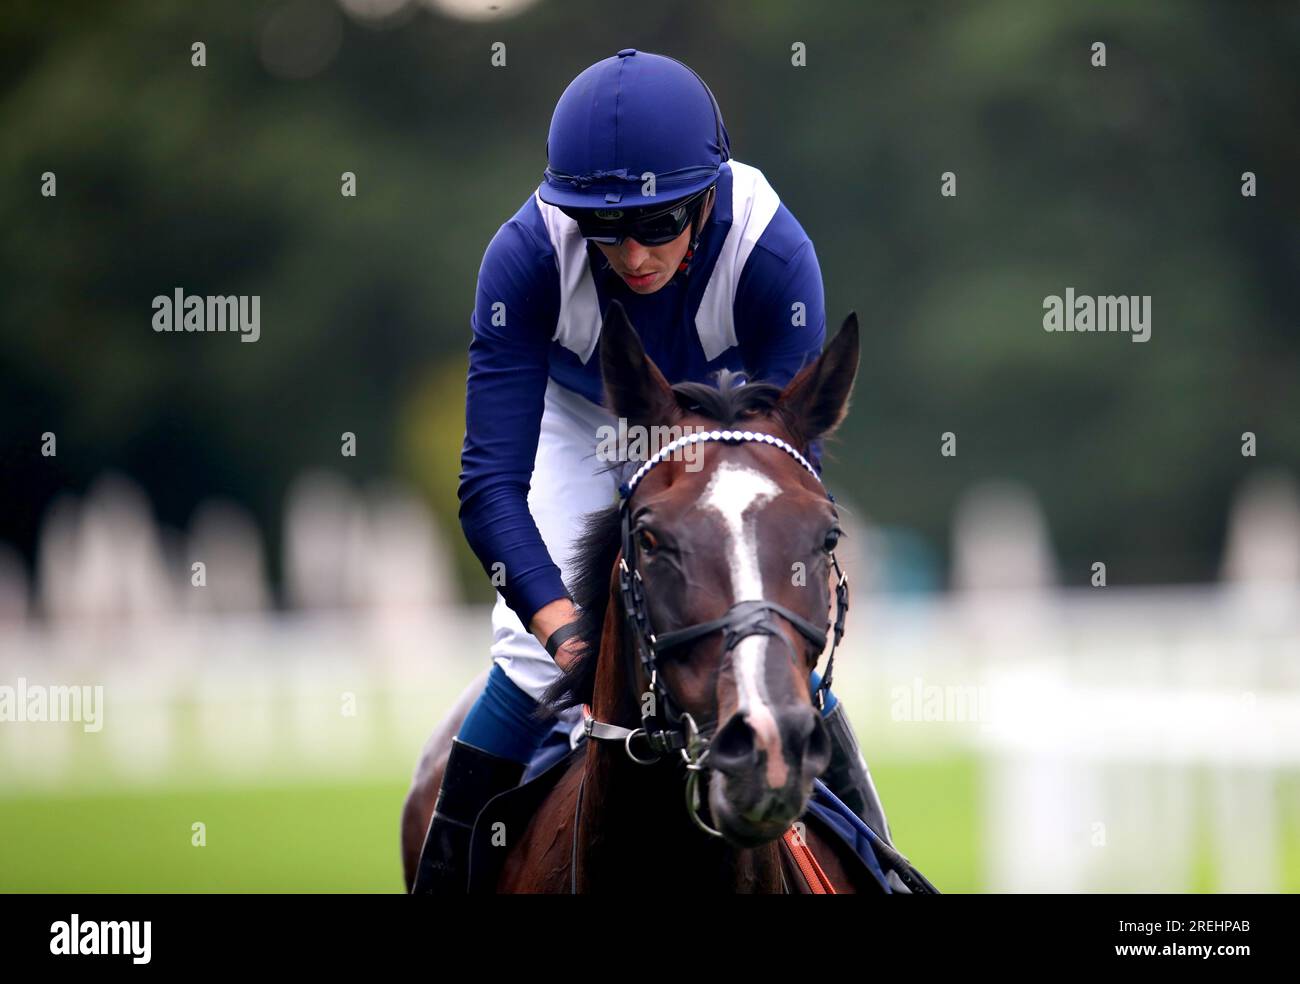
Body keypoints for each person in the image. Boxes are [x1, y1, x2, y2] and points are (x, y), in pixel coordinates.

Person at [415, 49, 890, 894]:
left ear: (708, 198)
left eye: (660, 223)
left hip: (729, 424)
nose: (632, 255)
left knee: (784, 665)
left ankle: (880, 875)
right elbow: (488, 486)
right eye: (603, 228)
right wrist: (564, 629)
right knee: (524, 666)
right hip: (580, 421)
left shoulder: (773, 253)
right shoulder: (523, 260)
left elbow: (792, 472)